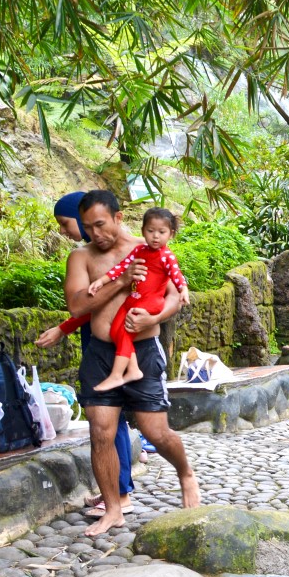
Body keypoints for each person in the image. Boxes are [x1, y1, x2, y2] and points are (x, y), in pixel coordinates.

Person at [63, 190, 200, 535]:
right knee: (101, 431)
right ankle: (113, 508)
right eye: (88, 227)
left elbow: (174, 297)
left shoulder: (150, 244)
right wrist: (122, 281)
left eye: (101, 225)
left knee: (155, 430)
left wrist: (153, 319)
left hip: (143, 350)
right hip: (100, 352)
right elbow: (78, 306)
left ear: (118, 217)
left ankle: (185, 472)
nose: (95, 234)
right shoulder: (81, 257)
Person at [39, 191, 135, 516]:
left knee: (111, 419)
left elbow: (101, 301)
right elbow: (86, 305)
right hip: (97, 341)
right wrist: (65, 328)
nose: (64, 231)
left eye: (66, 223)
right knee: (108, 420)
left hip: (112, 345)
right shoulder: (86, 257)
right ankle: (116, 492)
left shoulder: (117, 255)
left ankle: (120, 495)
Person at [72, 207, 190, 391]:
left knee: (125, 331)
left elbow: (176, 275)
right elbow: (121, 267)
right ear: (143, 230)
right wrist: (101, 281)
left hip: (149, 302)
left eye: (161, 232)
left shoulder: (166, 256)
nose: (155, 236)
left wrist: (183, 290)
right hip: (134, 300)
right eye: (151, 231)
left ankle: (117, 374)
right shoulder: (140, 251)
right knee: (116, 331)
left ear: (171, 234)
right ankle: (133, 368)